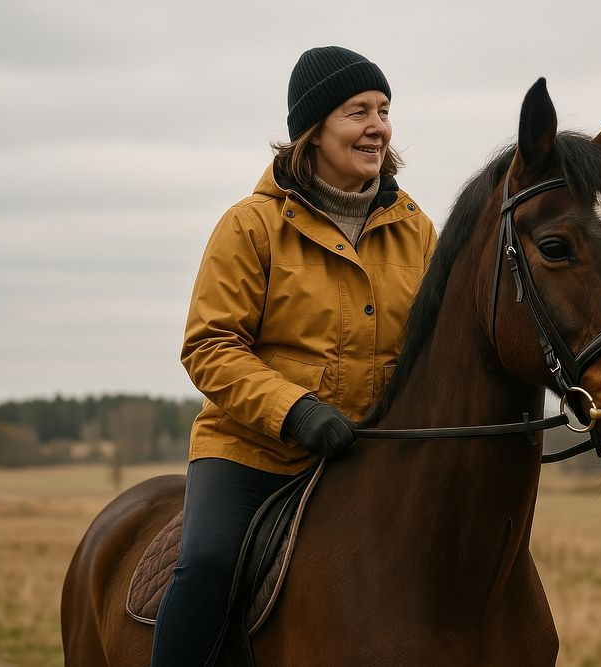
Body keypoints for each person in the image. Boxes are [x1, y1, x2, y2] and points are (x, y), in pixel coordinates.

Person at [150, 46, 437, 666]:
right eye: (356, 111)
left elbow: (434, 351)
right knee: (205, 566)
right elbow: (209, 346)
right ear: (312, 132)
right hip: (255, 452)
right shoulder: (249, 226)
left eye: (384, 110)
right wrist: (298, 413)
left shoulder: (418, 229)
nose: (377, 126)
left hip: (368, 457)